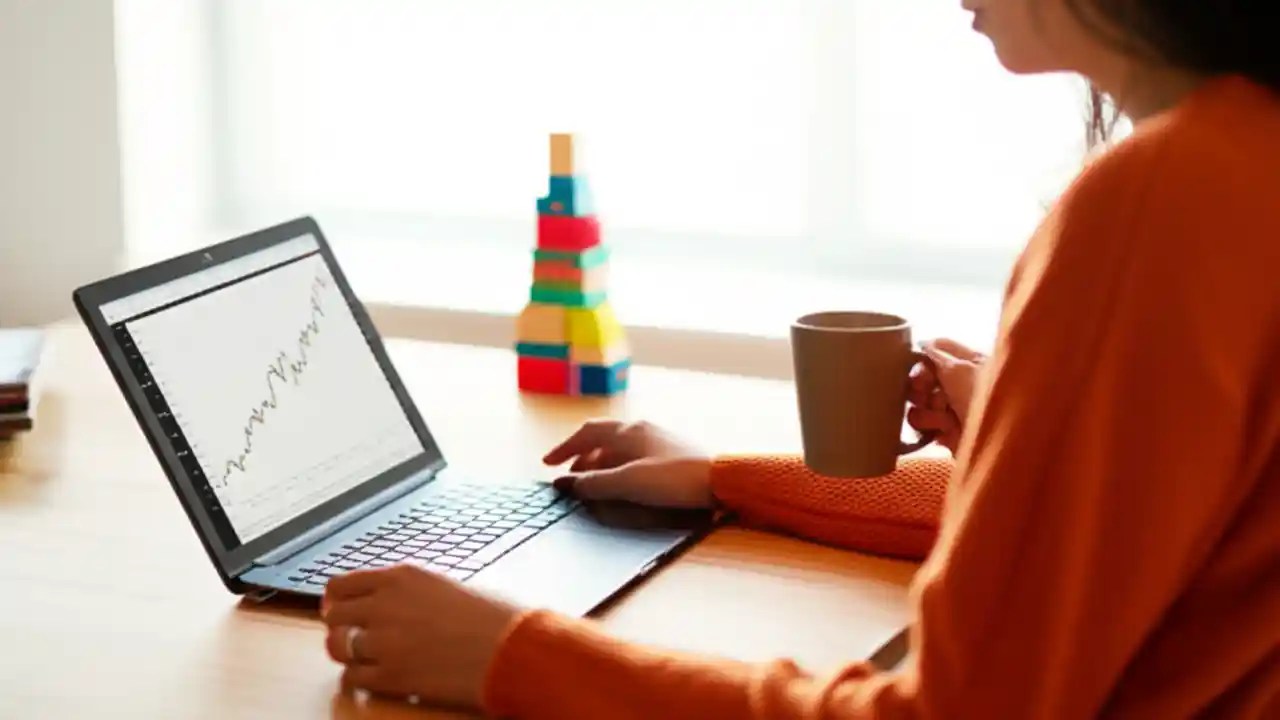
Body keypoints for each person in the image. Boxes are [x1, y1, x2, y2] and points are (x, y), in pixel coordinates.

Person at [319, 0, 1280, 716]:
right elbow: (1125, 537)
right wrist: (722, 477)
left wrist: (509, 654)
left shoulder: (1158, 204)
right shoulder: (1246, 154)